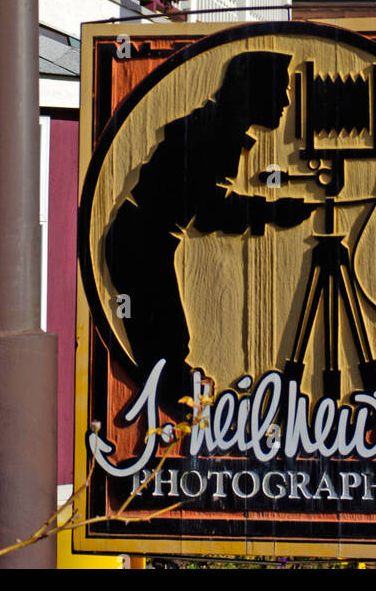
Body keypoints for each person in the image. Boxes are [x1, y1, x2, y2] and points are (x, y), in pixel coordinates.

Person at [104, 50, 312, 413]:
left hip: (146, 240)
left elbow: (208, 203)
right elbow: (210, 212)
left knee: (168, 342)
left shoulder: (220, 126)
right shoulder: (217, 132)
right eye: (280, 89)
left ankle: (183, 417)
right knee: (167, 343)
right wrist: (272, 211)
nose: (285, 101)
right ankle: (182, 422)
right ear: (254, 90)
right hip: (141, 242)